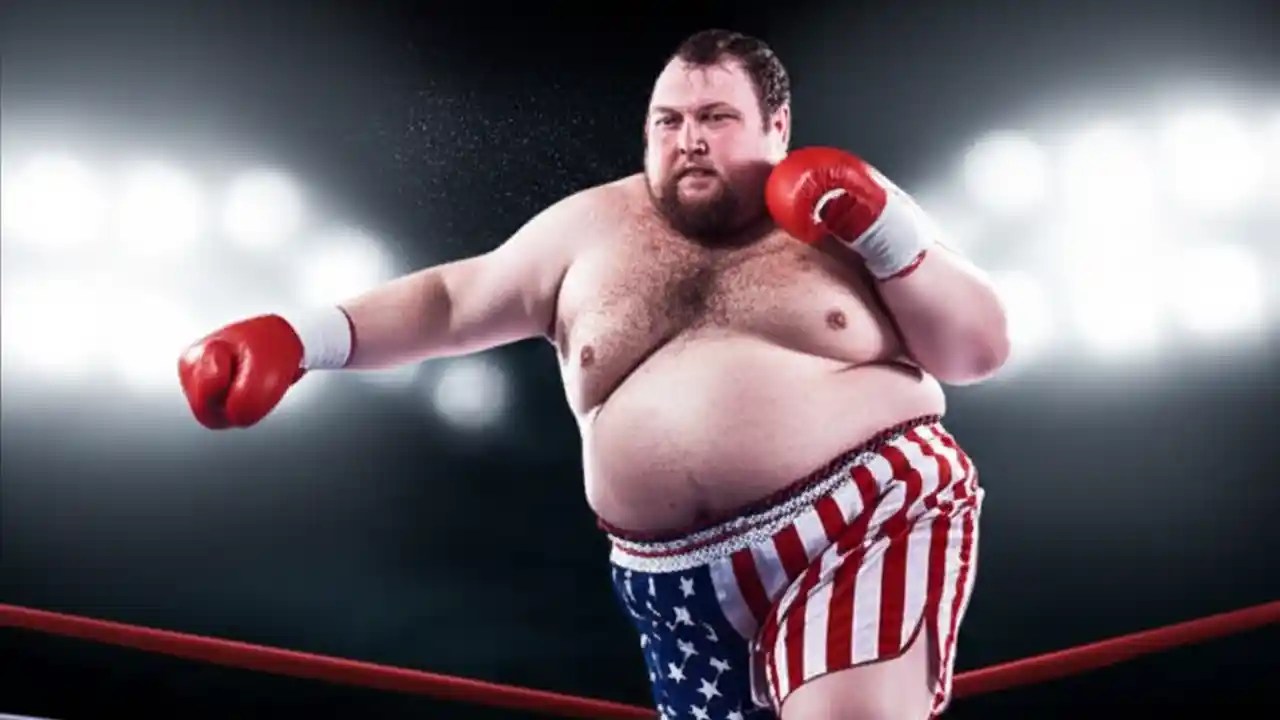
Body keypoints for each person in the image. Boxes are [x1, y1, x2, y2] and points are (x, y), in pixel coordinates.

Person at [178, 29, 1009, 720]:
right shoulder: (588, 229)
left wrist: (883, 229)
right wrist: (300, 337)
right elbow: (450, 299)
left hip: (863, 521)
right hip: (672, 578)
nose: (689, 139)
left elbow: (977, 350)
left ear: (777, 126)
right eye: (668, 120)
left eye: (717, 117)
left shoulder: (845, 213)